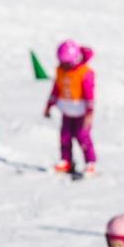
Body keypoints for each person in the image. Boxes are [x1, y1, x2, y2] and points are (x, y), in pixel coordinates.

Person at [44, 39, 96, 176]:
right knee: (65, 137)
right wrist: (49, 106)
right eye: (62, 62)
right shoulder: (61, 71)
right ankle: (66, 160)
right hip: (67, 111)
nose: (63, 66)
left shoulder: (84, 73)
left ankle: (90, 163)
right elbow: (56, 89)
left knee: (83, 136)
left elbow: (90, 96)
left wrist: (89, 113)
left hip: (81, 112)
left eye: (66, 63)